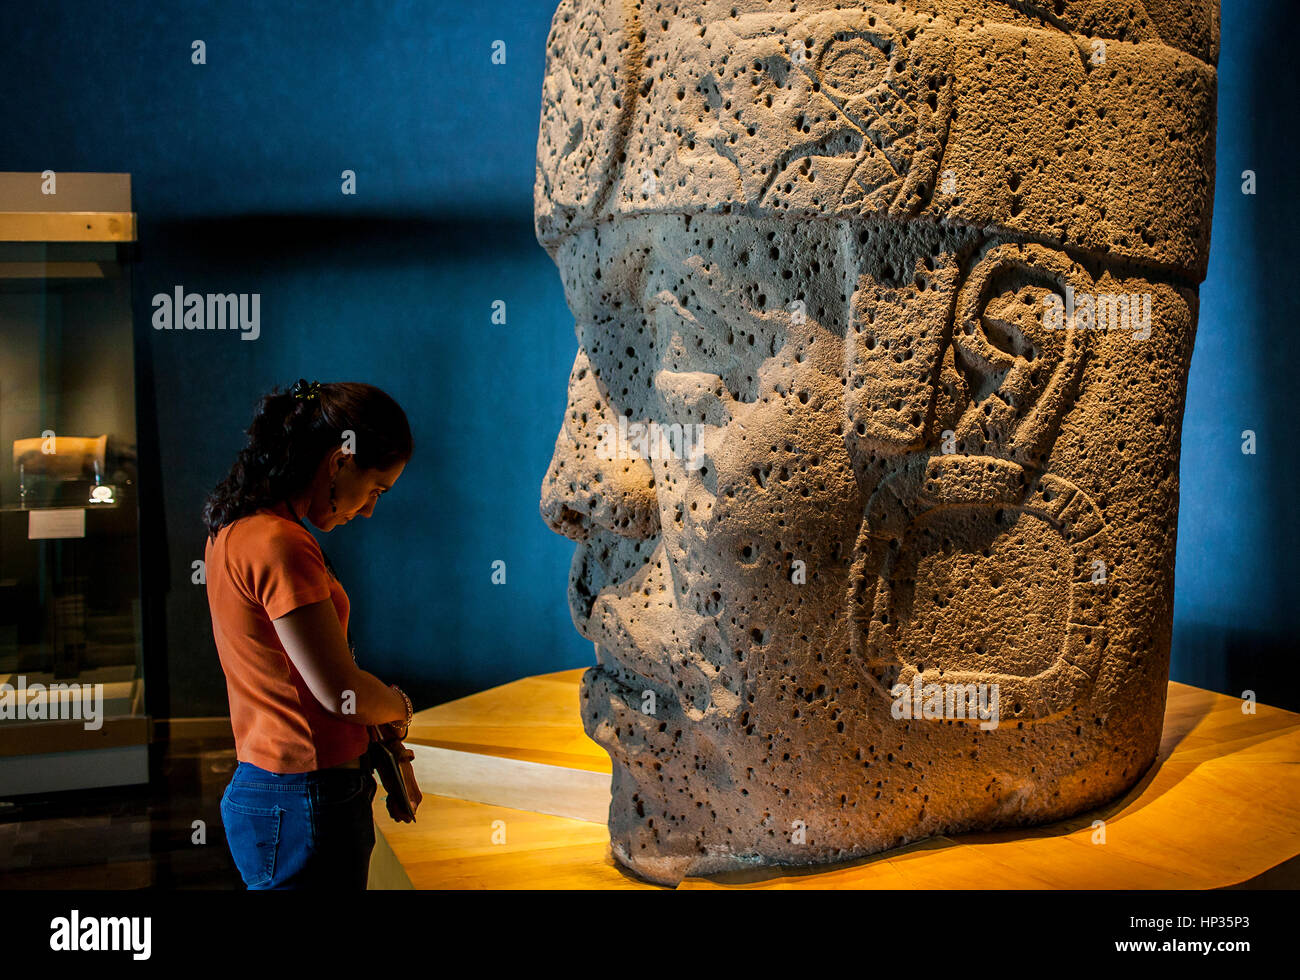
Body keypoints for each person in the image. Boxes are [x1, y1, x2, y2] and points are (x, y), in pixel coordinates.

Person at [202, 378, 421, 889]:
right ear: (340, 462)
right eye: (375, 489)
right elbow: (342, 695)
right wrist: (397, 706)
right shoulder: (282, 542)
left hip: (270, 785)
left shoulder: (234, 528)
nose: (368, 509)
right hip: (306, 798)